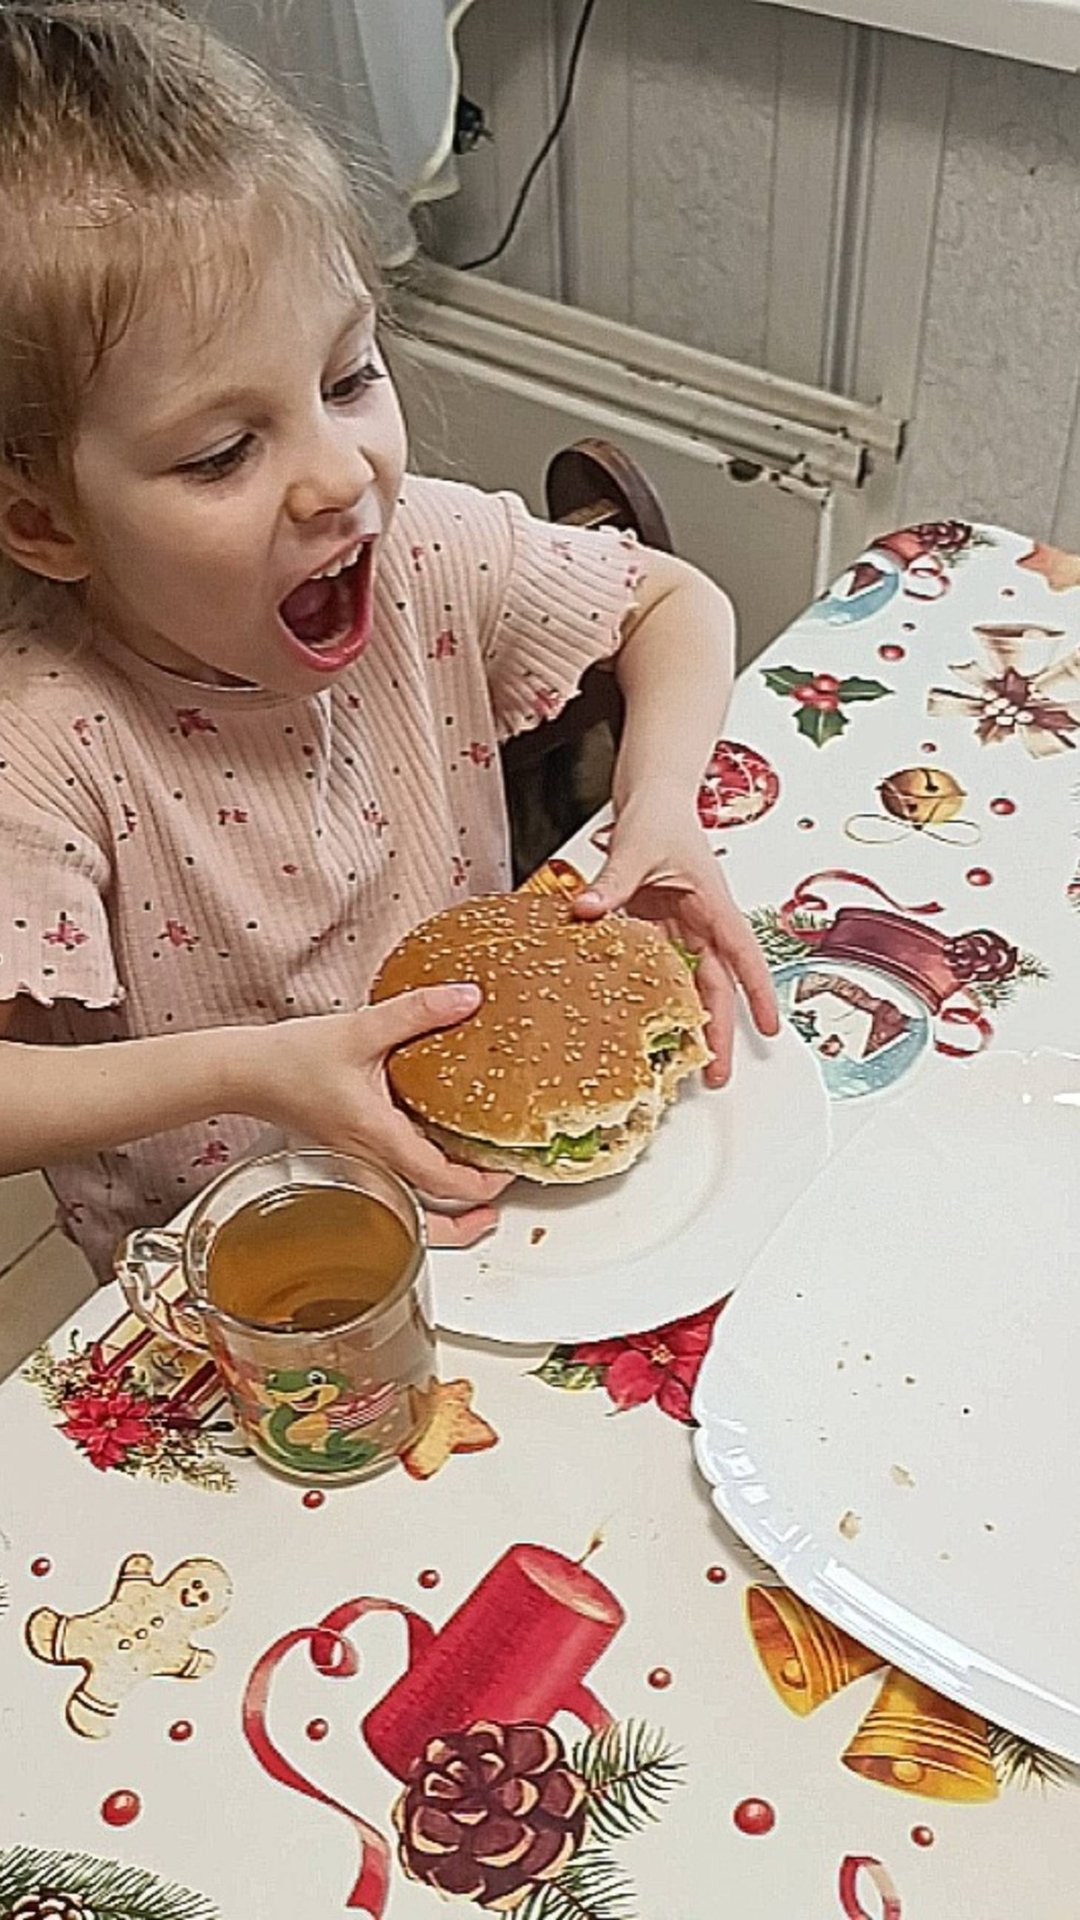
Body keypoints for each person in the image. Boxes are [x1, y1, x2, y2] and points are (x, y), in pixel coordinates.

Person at [0, 0, 778, 1283]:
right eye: (222, 452)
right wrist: (250, 1073)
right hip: (253, 1272)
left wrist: (659, 803)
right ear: (47, 521)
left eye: (350, 378)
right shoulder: (40, 752)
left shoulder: (421, 557)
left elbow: (676, 604)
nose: (338, 476)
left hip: (498, 1207)